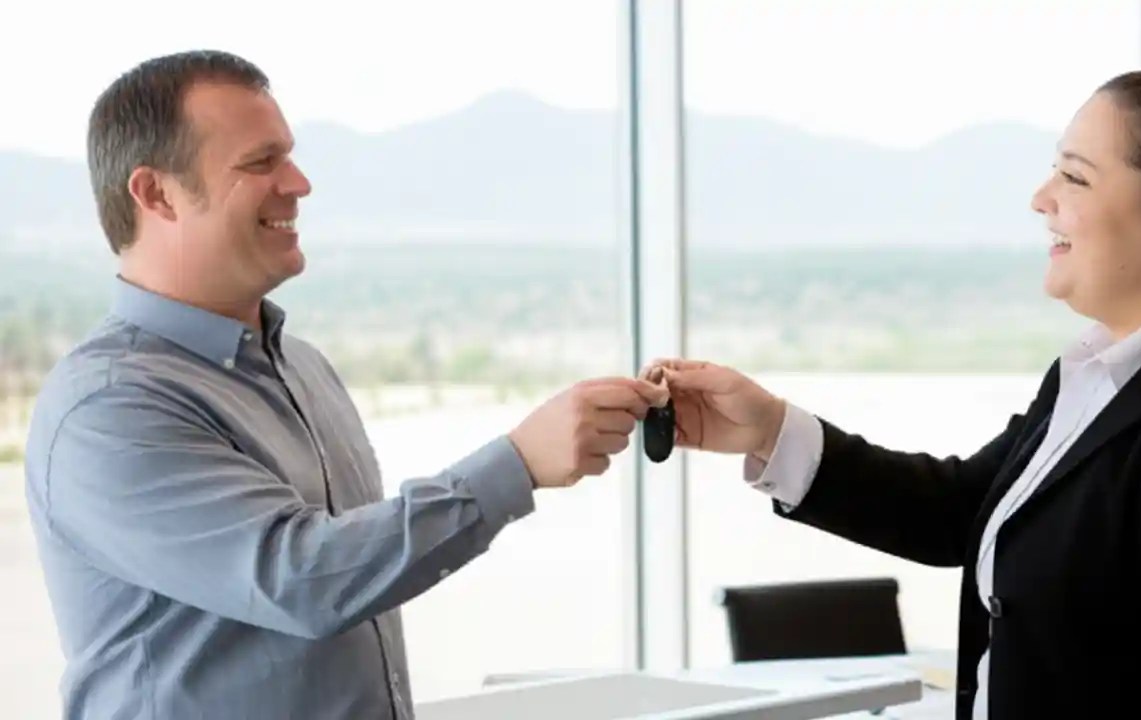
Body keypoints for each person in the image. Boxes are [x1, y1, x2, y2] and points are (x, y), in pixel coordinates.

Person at [23, 50, 664, 720]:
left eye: (289, 156)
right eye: (260, 162)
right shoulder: (108, 407)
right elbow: (300, 578)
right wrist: (520, 463)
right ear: (156, 194)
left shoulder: (301, 366)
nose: (298, 183)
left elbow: (356, 583)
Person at [647, 68, 1141, 720]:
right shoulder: (1097, 372)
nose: (1041, 198)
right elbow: (963, 510)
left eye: (1076, 177)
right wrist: (768, 430)